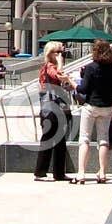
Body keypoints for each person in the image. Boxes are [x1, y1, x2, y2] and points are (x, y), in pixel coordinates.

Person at [73, 39, 112, 183]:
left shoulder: (90, 67)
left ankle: (81, 173)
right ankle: (102, 173)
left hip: (91, 106)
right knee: (103, 140)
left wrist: (72, 83)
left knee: (84, 138)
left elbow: (84, 89)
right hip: (106, 107)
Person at [33, 42, 72, 182]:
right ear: (50, 54)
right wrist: (61, 64)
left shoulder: (53, 66)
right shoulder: (49, 67)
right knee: (48, 139)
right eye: (57, 52)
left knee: (60, 141)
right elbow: (58, 76)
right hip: (50, 109)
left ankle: (59, 173)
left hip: (58, 108)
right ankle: (40, 172)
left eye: (61, 52)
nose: (60, 55)